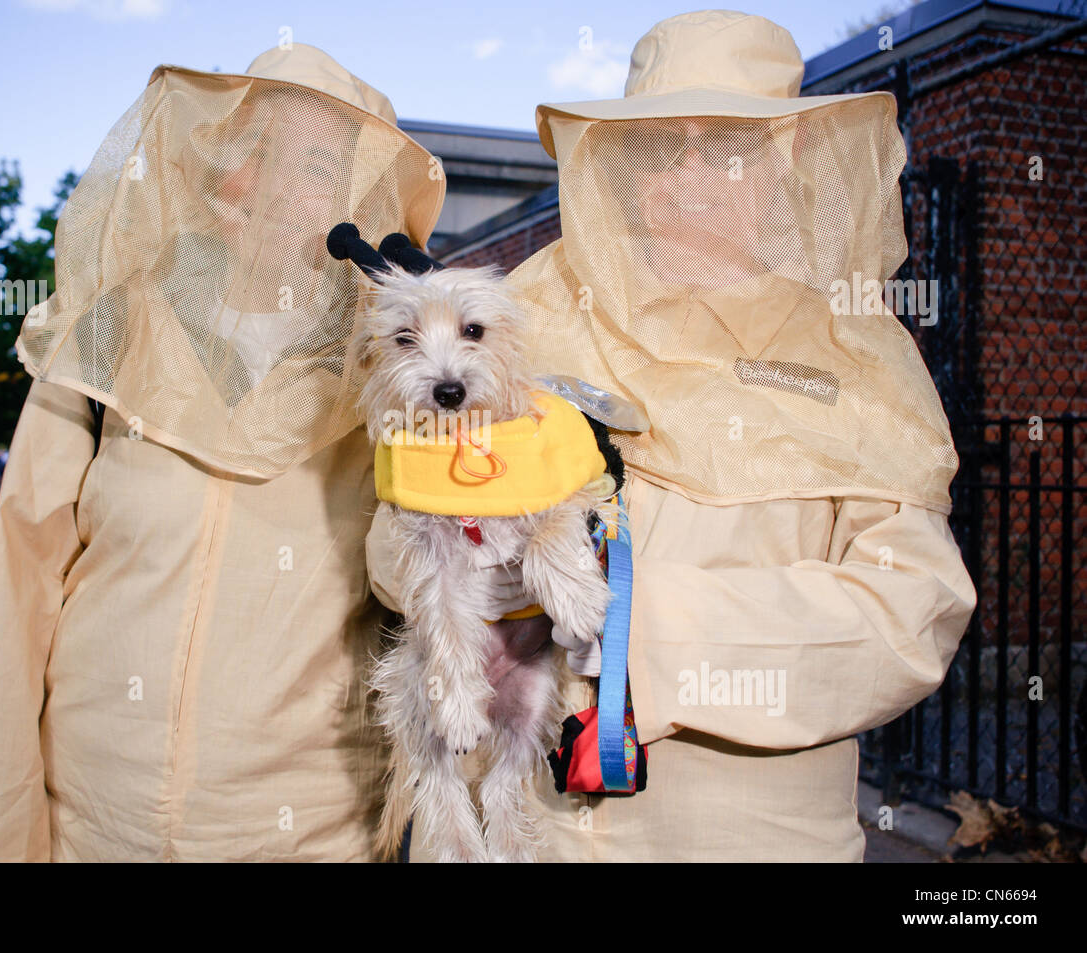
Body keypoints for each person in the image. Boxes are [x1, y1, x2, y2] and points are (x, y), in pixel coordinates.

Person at [368, 11, 976, 861]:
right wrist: (478, 581)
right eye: (660, 146)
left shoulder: (852, 350)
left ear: (784, 158)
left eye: (724, 141)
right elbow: (391, 531)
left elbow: (912, 611)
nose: (689, 175)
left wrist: (636, 624)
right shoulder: (523, 313)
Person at [0, 44, 444, 861]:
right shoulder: (109, 339)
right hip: (90, 825)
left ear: (360, 202)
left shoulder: (396, 377)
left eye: (317, 166)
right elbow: (11, 601)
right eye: (250, 152)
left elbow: (417, 592)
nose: (264, 185)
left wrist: (447, 405)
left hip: (306, 834)